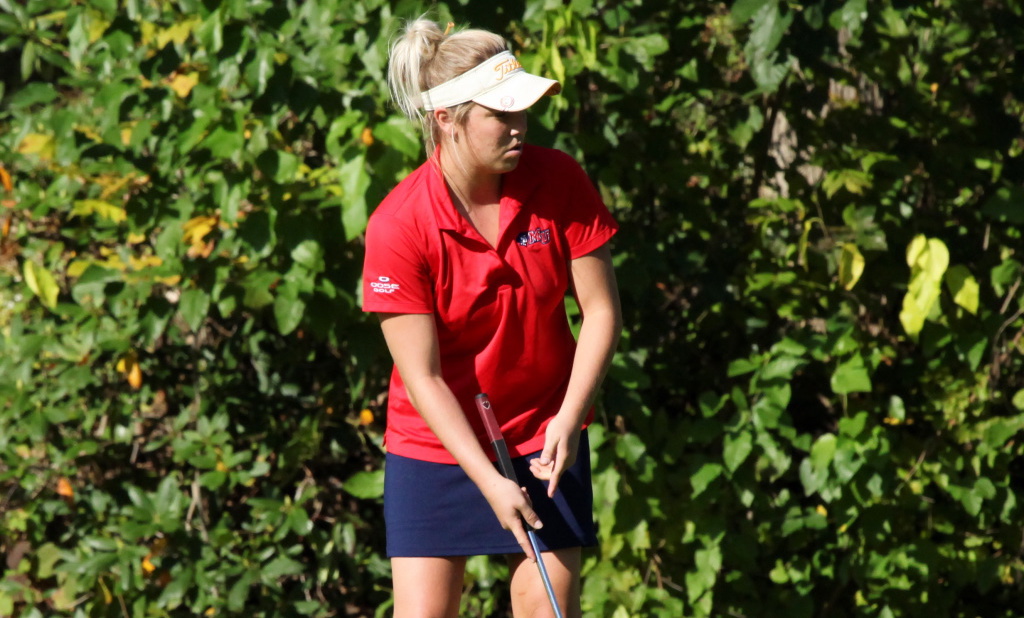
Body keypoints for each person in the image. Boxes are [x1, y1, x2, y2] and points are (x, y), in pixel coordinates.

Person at [362, 17, 621, 618]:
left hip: (544, 436)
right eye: (499, 114)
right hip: (435, 446)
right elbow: (422, 378)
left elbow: (602, 312)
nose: (519, 127)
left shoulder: (560, 181)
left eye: (522, 110)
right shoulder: (399, 225)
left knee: (546, 608)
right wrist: (486, 478)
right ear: (446, 119)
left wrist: (570, 417)